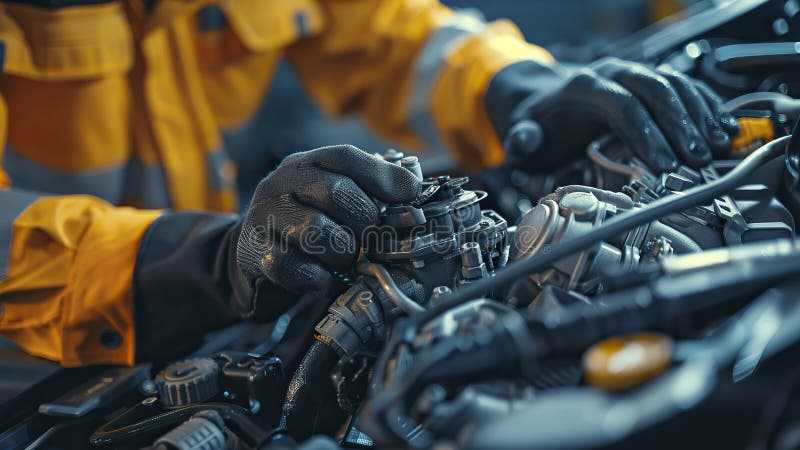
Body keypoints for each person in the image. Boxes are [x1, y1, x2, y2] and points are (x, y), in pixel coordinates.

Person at [0, 0, 737, 367]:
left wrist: (515, 91)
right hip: (30, 380)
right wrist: (200, 262)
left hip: (197, 316)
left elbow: (381, 28)